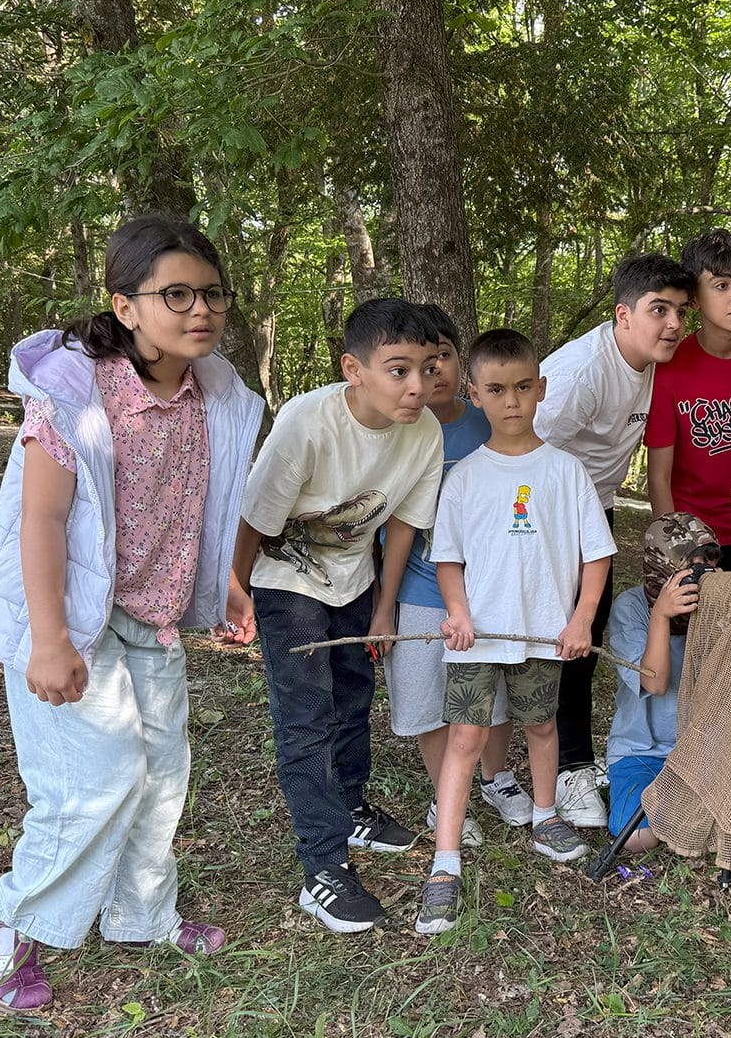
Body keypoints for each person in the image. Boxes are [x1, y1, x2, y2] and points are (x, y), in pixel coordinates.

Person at [0, 215, 265, 1014]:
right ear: (125, 306)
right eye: (175, 294)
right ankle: (8, 919)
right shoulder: (74, 396)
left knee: (164, 774)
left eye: (211, 294)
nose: (199, 310)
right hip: (71, 620)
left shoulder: (220, 395)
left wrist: (230, 585)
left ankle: (141, 914)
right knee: (95, 781)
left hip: (155, 615)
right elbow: (41, 521)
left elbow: (212, 507)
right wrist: (51, 639)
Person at [233, 298, 443, 934]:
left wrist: (384, 604)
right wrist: (236, 592)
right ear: (355, 369)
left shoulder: (425, 431)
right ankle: (322, 865)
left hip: (355, 578)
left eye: (427, 369)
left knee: (353, 697)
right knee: (306, 718)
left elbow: (405, 520)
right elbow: (254, 519)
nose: (416, 386)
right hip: (283, 578)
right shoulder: (308, 422)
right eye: (398, 370)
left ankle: (350, 805)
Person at [415, 328, 616, 934]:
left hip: (542, 634)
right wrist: (458, 611)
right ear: (475, 394)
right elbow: (447, 557)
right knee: (467, 739)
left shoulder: (565, 472)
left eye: (523, 387)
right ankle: (444, 862)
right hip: (478, 638)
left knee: (541, 724)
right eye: (497, 389)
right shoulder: (466, 477)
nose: (511, 401)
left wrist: (581, 617)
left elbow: (597, 554)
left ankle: (546, 813)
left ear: (541, 389)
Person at [533, 253, 695, 827]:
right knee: (561, 640)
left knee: (588, 630)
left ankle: (571, 760)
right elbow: (525, 452)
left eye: (680, 311)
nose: (673, 324)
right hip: (548, 514)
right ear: (623, 315)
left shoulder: (657, 358)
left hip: (592, 509)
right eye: (659, 310)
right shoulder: (580, 374)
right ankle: (563, 771)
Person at [381, 307, 534, 848]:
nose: (434, 370)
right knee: (427, 699)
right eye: (420, 362)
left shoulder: (485, 421)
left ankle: (497, 779)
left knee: (491, 697)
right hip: (420, 590)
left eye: (443, 355)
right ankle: (446, 797)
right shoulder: (398, 429)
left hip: (486, 589)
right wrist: (384, 604)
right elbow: (394, 522)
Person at [645, 230, 731, 575]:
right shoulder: (670, 367)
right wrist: (676, 551)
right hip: (697, 536)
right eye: (721, 286)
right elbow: (659, 476)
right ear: (694, 300)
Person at [603, 512, 720, 851]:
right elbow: (654, 684)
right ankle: (677, 810)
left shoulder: (715, 605)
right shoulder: (631, 609)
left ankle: (681, 809)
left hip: (702, 751)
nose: (699, 579)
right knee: (636, 837)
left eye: (706, 566)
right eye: (689, 569)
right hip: (641, 752)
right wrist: (661, 616)